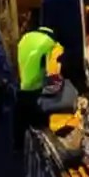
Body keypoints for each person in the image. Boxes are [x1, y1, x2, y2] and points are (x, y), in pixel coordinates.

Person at [13, 17, 58, 151]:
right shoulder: (50, 43)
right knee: (40, 123)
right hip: (37, 90)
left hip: (22, 86)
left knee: (19, 119)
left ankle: (18, 146)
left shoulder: (25, 38)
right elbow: (52, 69)